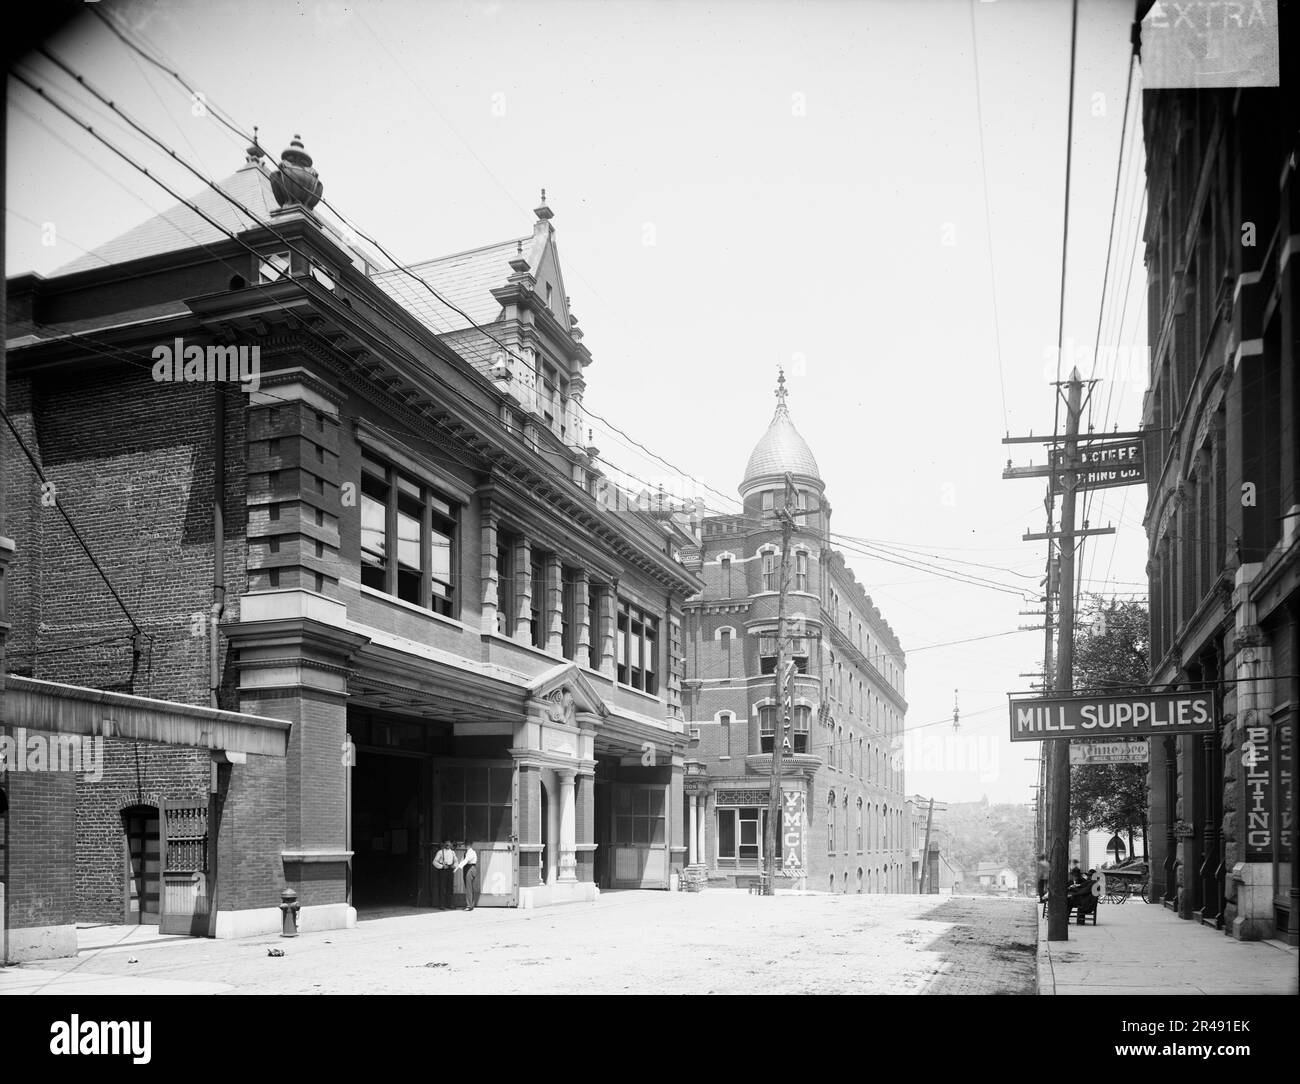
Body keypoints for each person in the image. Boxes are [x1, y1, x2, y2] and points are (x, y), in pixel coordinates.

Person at [432, 839, 457, 910]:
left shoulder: (452, 852)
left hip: (450, 870)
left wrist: (454, 866)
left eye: (449, 843)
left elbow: (456, 861)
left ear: (451, 844)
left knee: (450, 888)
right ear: (444, 844)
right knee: (442, 888)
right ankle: (442, 905)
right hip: (443, 870)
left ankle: (450, 904)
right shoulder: (440, 852)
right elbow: (434, 862)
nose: (448, 844)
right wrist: (442, 866)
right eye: (446, 843)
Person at [457, 840, 480, 911]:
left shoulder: (470, 852)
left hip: (469, 868)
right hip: (471, 868)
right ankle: (471, 904)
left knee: (469, 887)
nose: (465, 846)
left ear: (468, 845)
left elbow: (466, 860)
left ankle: (469, 905)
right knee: (470, 887)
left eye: (466, 845)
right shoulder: (471, 852)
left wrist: (458, 867)